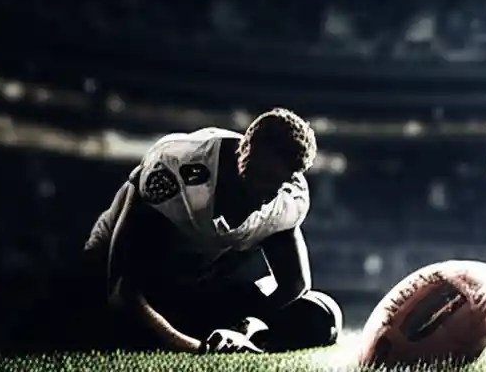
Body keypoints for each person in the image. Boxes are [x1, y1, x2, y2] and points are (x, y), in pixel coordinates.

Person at [83, 108, 341, 354]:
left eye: (278, 182)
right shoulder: (174, 170)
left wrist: (245, 325)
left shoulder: (285, 197)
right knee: (103, 324)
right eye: (262, 175)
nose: (266, 194)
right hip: (123, 278)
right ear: (244, 151)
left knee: (317, 317)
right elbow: (122, 291)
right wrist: (202, 349)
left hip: (194, 283)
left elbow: (295, 283)